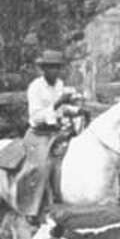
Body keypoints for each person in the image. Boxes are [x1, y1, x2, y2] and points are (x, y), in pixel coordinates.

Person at [21, 50, 83, 218]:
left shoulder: (60, 84)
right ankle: (32, 210)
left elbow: (63, 109)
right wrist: (57, 104)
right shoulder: (35, 87)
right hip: (38, 134)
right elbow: (35, 117)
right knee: (43, 166)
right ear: (44, 69)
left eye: (57, 68)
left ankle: (66, 198)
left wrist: (77, 110)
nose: (54, 71)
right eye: (50, 68)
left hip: (56, 133)